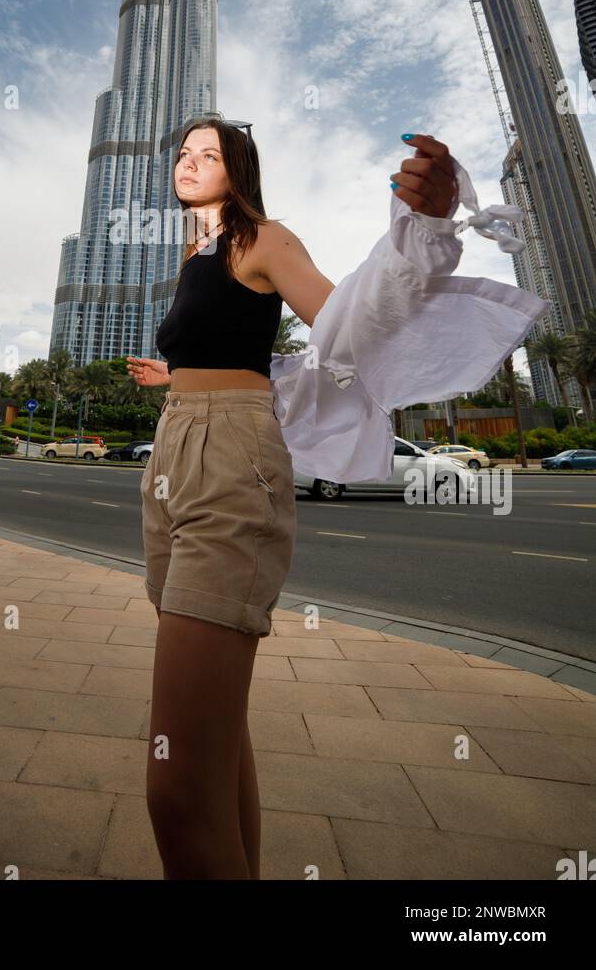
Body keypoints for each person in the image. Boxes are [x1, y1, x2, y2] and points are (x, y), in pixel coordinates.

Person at [126, 113, 547, 881]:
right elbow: (245, 352)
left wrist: (419, 229)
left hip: (228, 467)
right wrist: (172, 376)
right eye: (182, 152)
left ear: (240, 170)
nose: (188, 162)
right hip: (171, 459)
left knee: (177, 792)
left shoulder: (265, 238)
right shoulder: (197, 252)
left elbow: (345, 323)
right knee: (214, 750)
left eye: (208, 154)